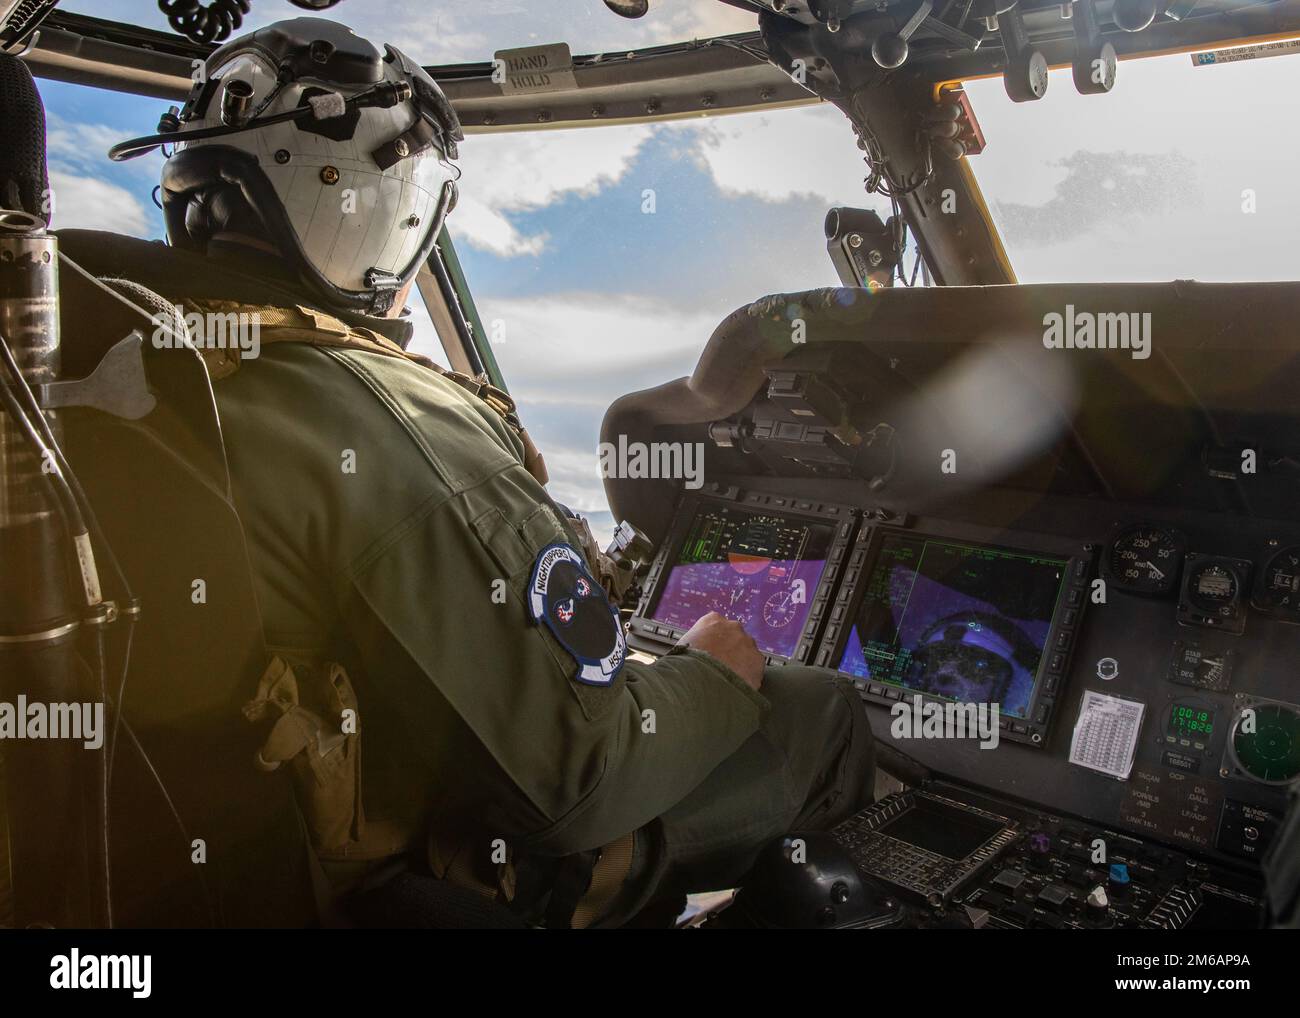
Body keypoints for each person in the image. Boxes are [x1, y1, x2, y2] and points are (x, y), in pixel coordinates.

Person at [102, 17, 876, 927]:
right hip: (389, 876)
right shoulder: (382, 420)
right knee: (818, 711)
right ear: (368, 198)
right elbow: (580, 778)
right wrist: (713, 672)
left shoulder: (105, 366)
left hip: (175, 870)